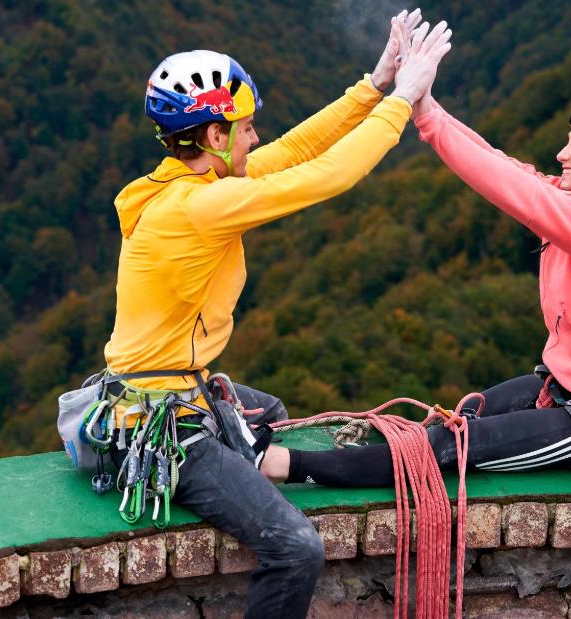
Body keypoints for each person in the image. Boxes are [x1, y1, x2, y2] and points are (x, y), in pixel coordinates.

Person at [100, 11, 452, 618]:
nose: (256, 138)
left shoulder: (180, 185)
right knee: (295, 547)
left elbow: (294, 151)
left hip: (163, 393)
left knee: (270, 415)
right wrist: (402, 100)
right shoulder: (199, 209)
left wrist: (373, 85)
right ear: (214, 138)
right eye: (244, 128)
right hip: (166, 428)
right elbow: (329, 175)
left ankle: (245, 470)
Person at [260, 89, 571, 488]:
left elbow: (516, 190)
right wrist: (427, 110)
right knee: (463, 414)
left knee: (446, 446)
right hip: (565, 388)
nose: (562, 154)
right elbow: (507, 166)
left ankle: (286, 465)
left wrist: (426, 116)